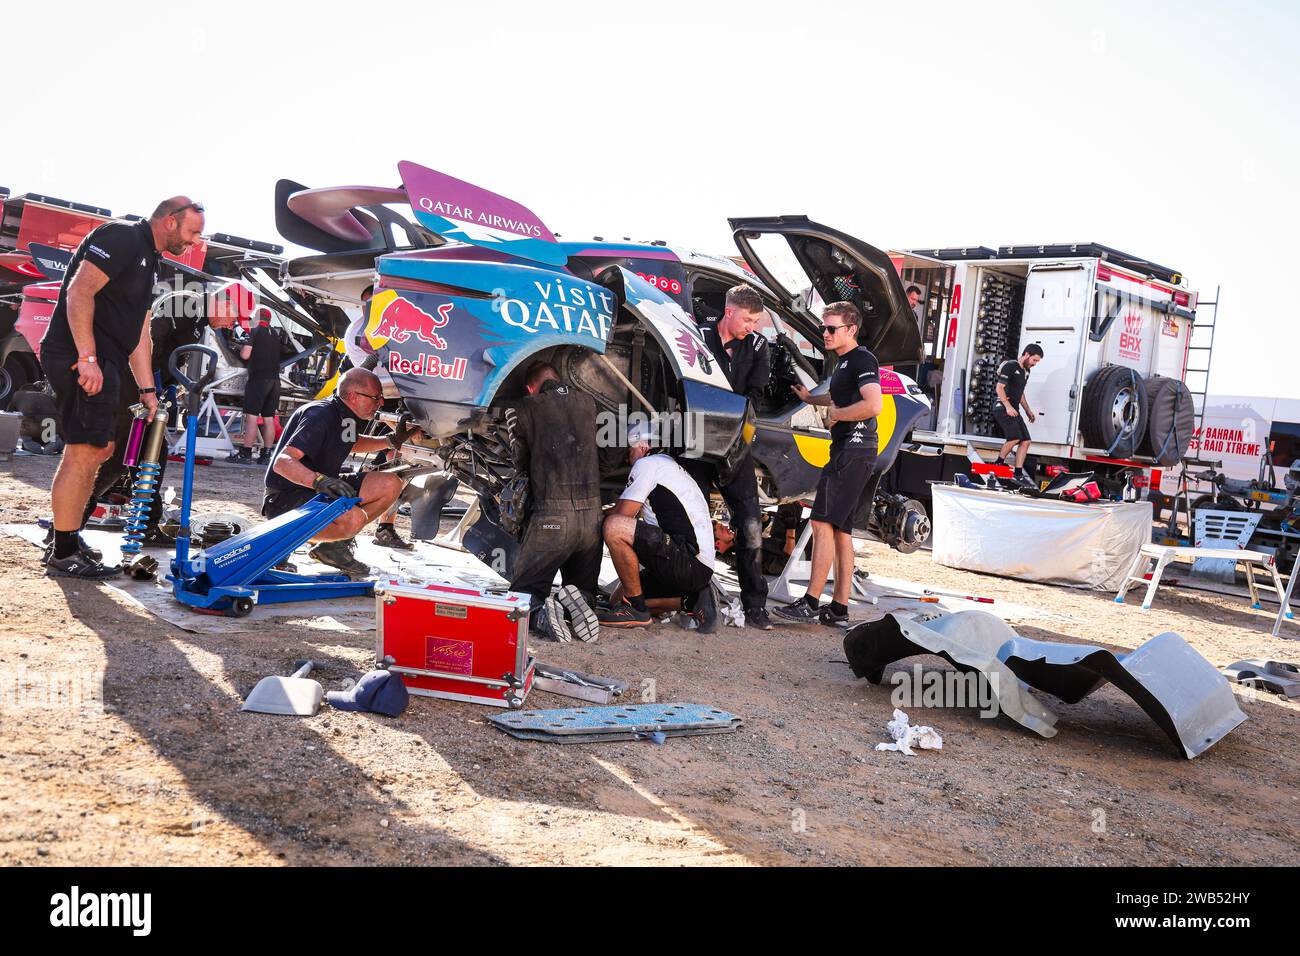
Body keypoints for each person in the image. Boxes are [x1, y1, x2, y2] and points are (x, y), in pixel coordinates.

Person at [40, 197, 205, 578]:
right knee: (84, 451)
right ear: (168, 220)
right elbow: (79, 290)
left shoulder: (151, 260)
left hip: (109, 359)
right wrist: (86, 357)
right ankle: (63, 551)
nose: (195, 240)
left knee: (102, 449)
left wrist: (148, 390)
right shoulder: (123, 237)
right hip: (82, 355)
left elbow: (139, 334)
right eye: (192, 232)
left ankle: (68, 535)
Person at [773, 301, 882, 628]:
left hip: (853, 451)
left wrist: (837, 415)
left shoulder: (862, 359)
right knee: (841, 532)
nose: (825, 333)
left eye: (832, 328)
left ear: (851, 329)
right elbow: (838, 394)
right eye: (824, 327)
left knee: (821, 524)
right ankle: (838, 609)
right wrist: (811, 399)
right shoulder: (847, 362)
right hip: (852, 452)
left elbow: (873, 404)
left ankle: (809, 602)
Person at [262, 367, 419, 577]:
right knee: (353, 518)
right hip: (288, 497)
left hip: (318, 487)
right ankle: (293, 539)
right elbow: (282, 462)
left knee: (390, 484)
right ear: (354, 396)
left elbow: (350, 443)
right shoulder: (319, 414)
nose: (381, 403)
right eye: (376, 397)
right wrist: (319, 481)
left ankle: (332, 547)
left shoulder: (344, 413)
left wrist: (390, 441)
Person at [695, 283, 774, 630]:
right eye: (747, 319)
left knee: (751, 523)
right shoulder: (696, 337)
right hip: (696, 441)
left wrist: (736, 432)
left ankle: (755, 604)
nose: (752, 326)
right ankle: (694, 597)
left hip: (736, 443)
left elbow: (755, 395)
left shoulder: (758, 345)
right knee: (688, 520)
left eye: (756, 321)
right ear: (729, 312)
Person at [507, 361, 603, 642]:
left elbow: (519, 461)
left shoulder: (525, 407)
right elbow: (609, 455)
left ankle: (540, 613)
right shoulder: (590, 402)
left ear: (530, 387)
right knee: (582, 588)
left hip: (553, 515)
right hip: (592, 518)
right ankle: (574, 603)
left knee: (522, 597)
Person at [597, 424, 718, 632]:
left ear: (642, 446)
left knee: (614, 527)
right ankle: (692, 600)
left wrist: (593, 518)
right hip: (696, 566)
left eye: (630, 450)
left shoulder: (647, 464)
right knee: (617, 599)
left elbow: (621, 516)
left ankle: (636, 609)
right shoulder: (667, 466)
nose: (628, 458)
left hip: (687, 561)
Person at [228, 311, 284, 466]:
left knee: (251, 417)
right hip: (275, 381)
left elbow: (245, 355)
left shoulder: (254, 330)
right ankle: (266, 454)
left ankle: (246, 453)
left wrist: (237, 349)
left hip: (259, 379)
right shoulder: (274, 333)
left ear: (258, 318)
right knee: (268, 419)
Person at [995, 344, 1043, 481]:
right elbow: (999, 388)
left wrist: (1028, 410)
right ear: (1027, 354)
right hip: (1002, 407)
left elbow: (1020, 393)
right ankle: (998, 463)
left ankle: (1018, 473)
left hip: (1014, 409)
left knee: (1026, 441)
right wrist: (1008, 406)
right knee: (1015, 438)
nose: (1035, 364)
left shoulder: (1026, 371)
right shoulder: (1010, 365)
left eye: (1037, 362)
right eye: (1034, 360)